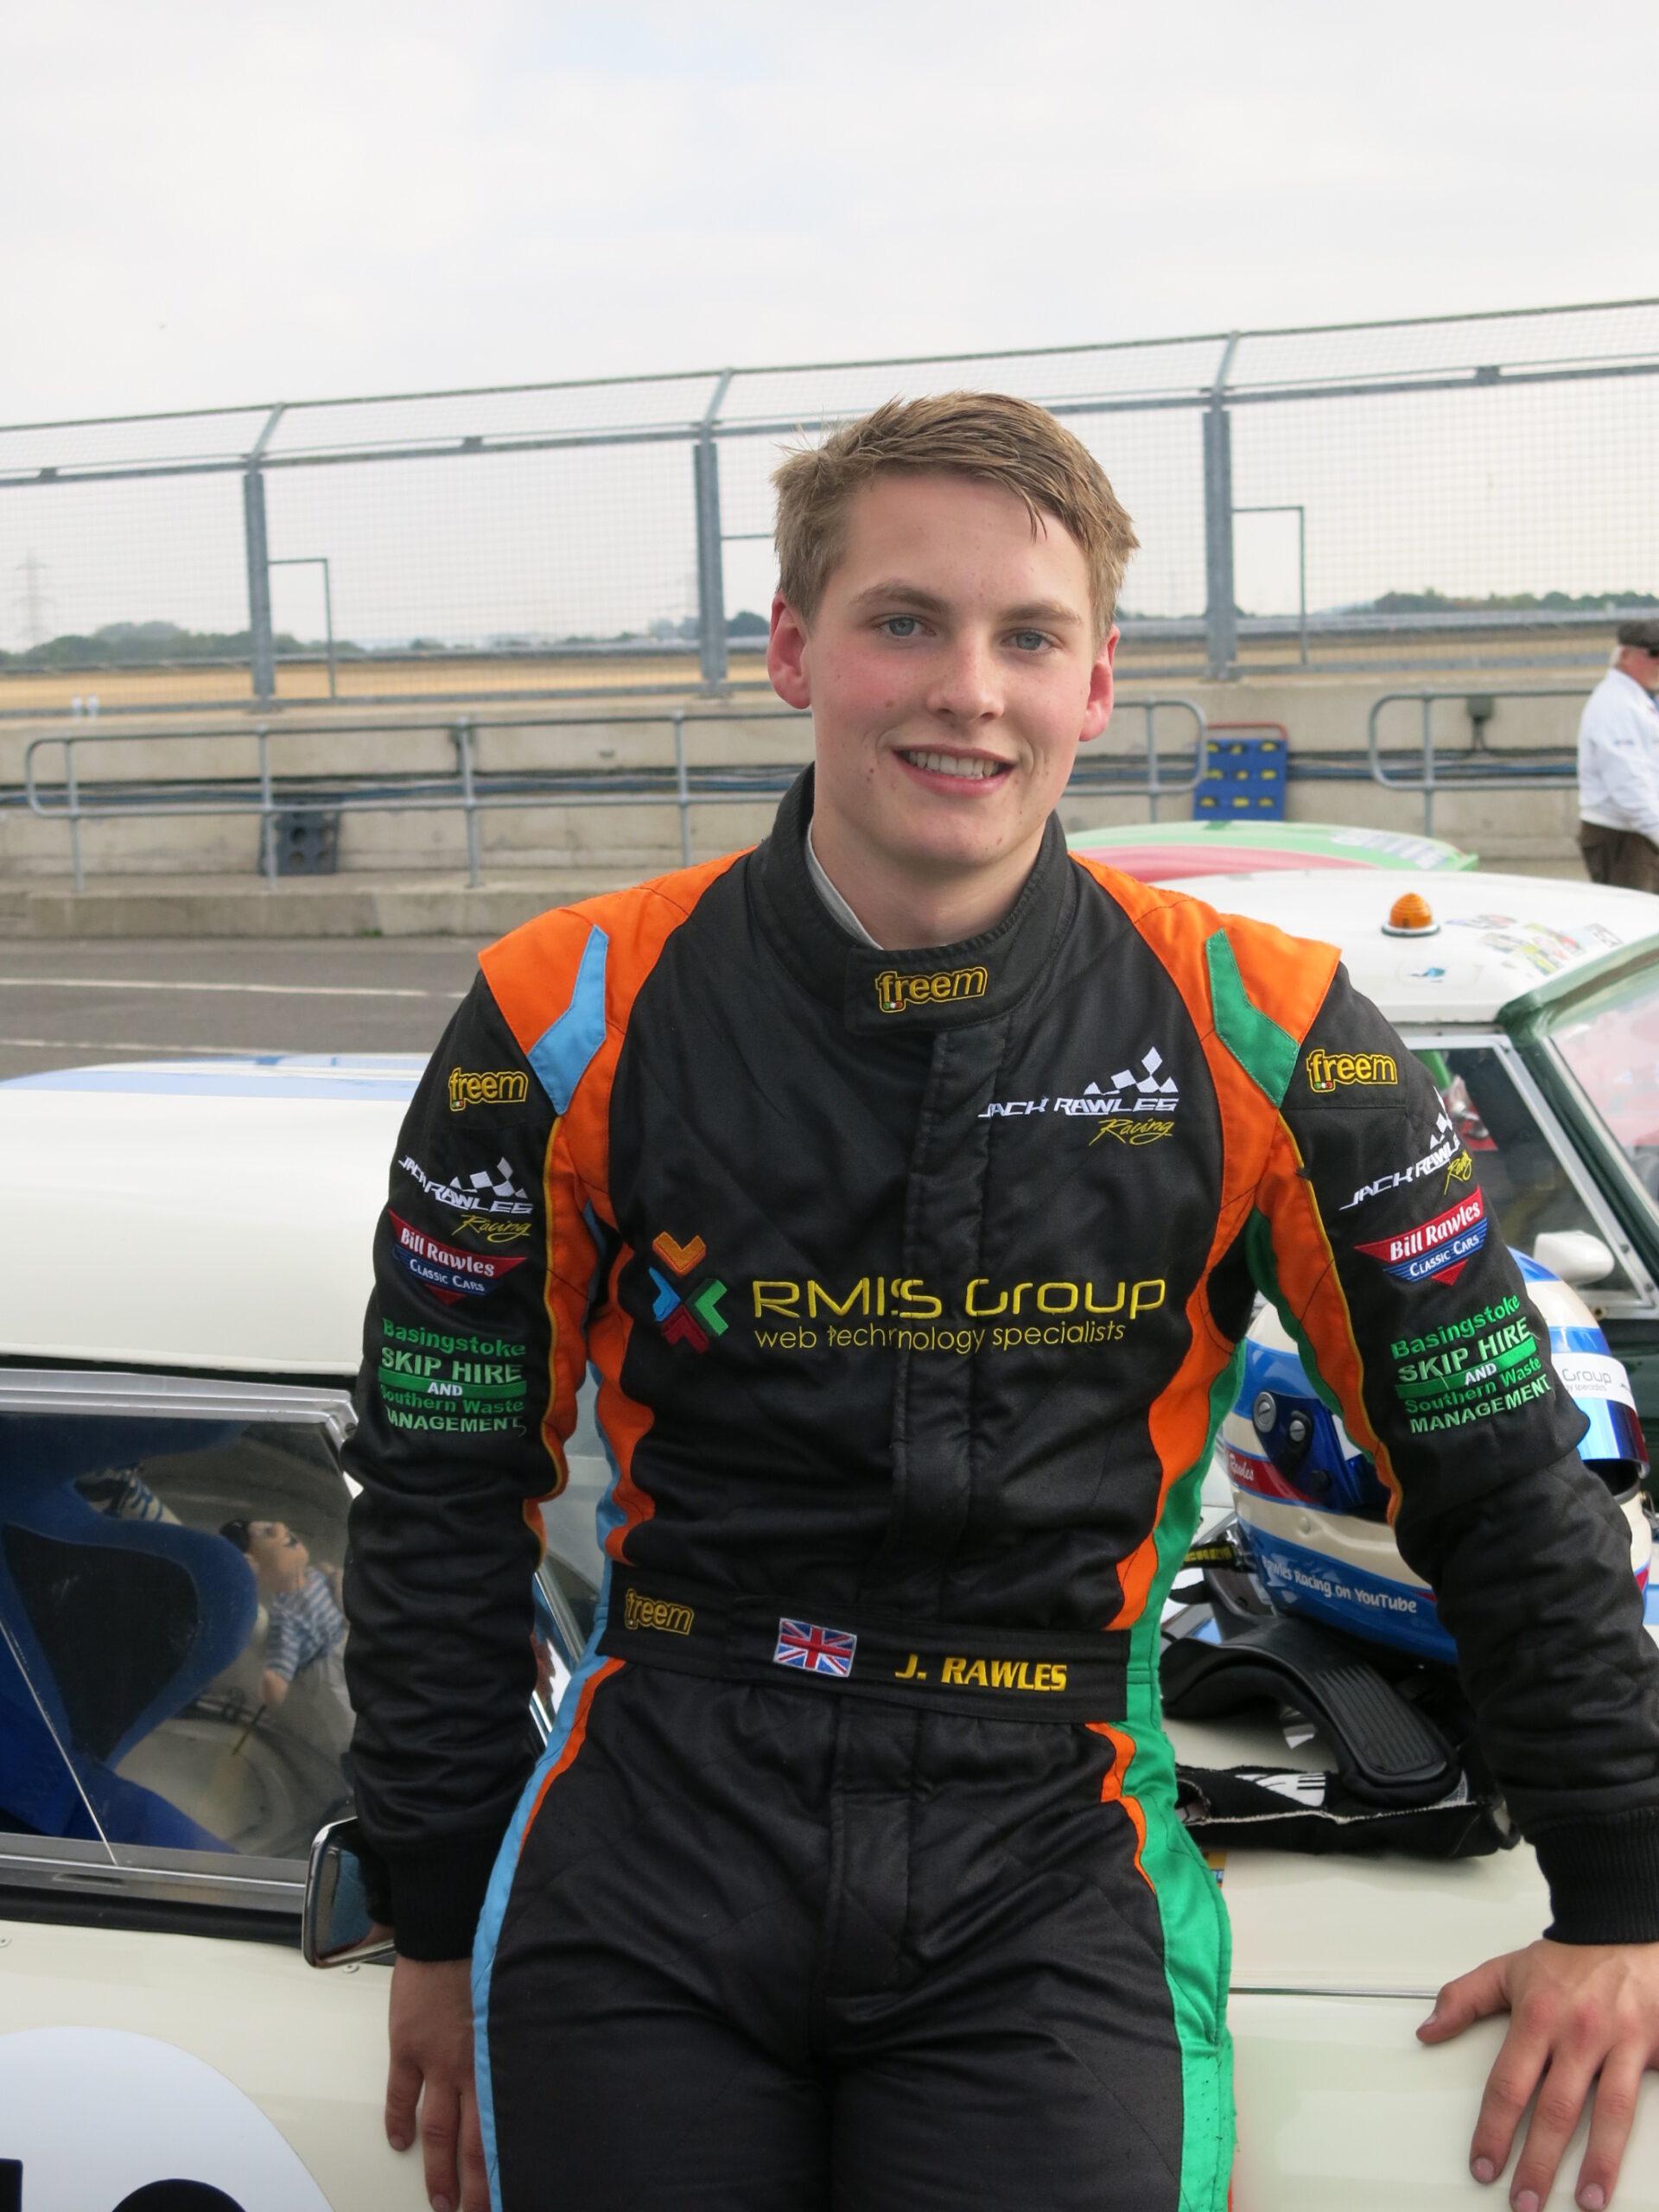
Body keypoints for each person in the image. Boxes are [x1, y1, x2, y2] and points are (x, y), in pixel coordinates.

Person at [343, 395, 1659, 2212]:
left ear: (1097, 682)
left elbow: (1500, 1464)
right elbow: (434, 1476)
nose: (968, 687)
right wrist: (431, 1897)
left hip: (1049, 1832)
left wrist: (1623, 1890)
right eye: (905, 620)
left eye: (1026, 635)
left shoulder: (1275, 1025)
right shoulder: (559, 1003)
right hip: (656, 1829)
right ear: (794, 649)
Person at [221, 1516, 353, 1756]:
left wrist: (337, 1579)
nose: (281, 1528)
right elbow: (285, 1651)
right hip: (326, 1671)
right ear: (253, 1564)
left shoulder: (317, 1576)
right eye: (266, 1533)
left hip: (350, 1642)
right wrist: (277, 1679)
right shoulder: (285, 1614)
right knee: (347, 1719)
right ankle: (358, 1764)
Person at [1577, 617, 1659, 890]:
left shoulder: (1639, 700)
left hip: (1639, 831)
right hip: (1623, 837)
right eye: (1654, 653)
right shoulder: (1616, 705)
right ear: (1625, 655)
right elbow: (1628, 785)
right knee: (1636, 923)